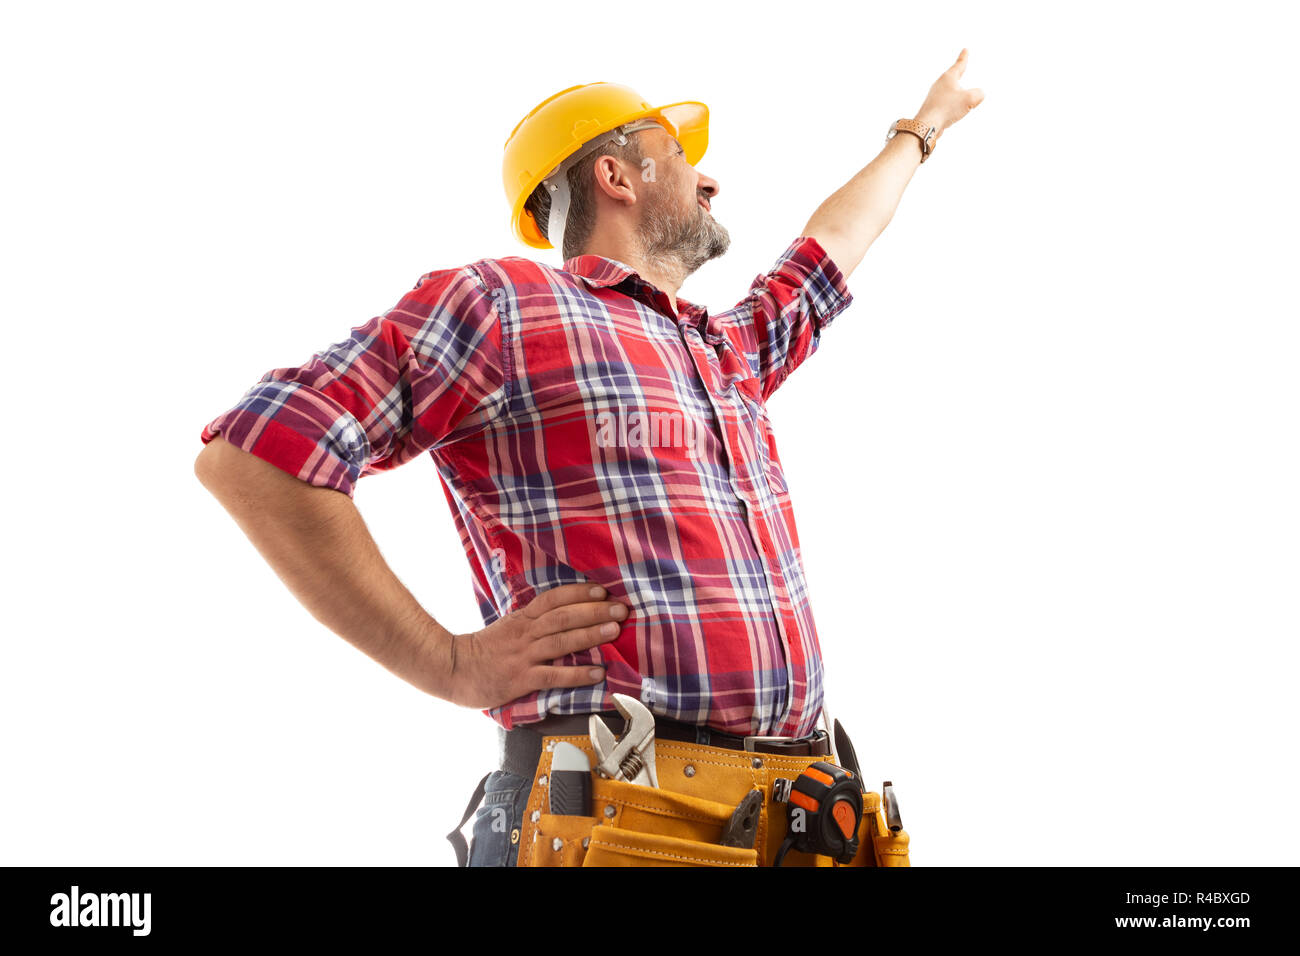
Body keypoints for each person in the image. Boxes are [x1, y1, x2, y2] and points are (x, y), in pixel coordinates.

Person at [194, 52, 984, 867]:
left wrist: (922, 129)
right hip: (629, 820)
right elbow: (255, 454)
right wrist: (450, 663)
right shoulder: (506, 305)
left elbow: (835, 241)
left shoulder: (725, 350)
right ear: (617, 174)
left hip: (801, 819)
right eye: (680, 155)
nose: (708, 181)